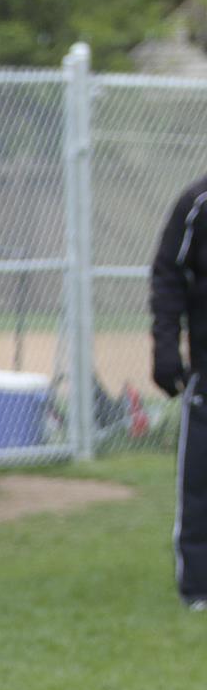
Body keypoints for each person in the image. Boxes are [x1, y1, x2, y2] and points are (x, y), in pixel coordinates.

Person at [150, 172, 207, 609]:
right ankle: (199, 588)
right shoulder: (196, 202)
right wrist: (166, 349)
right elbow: (168, 275)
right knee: (199, 486)